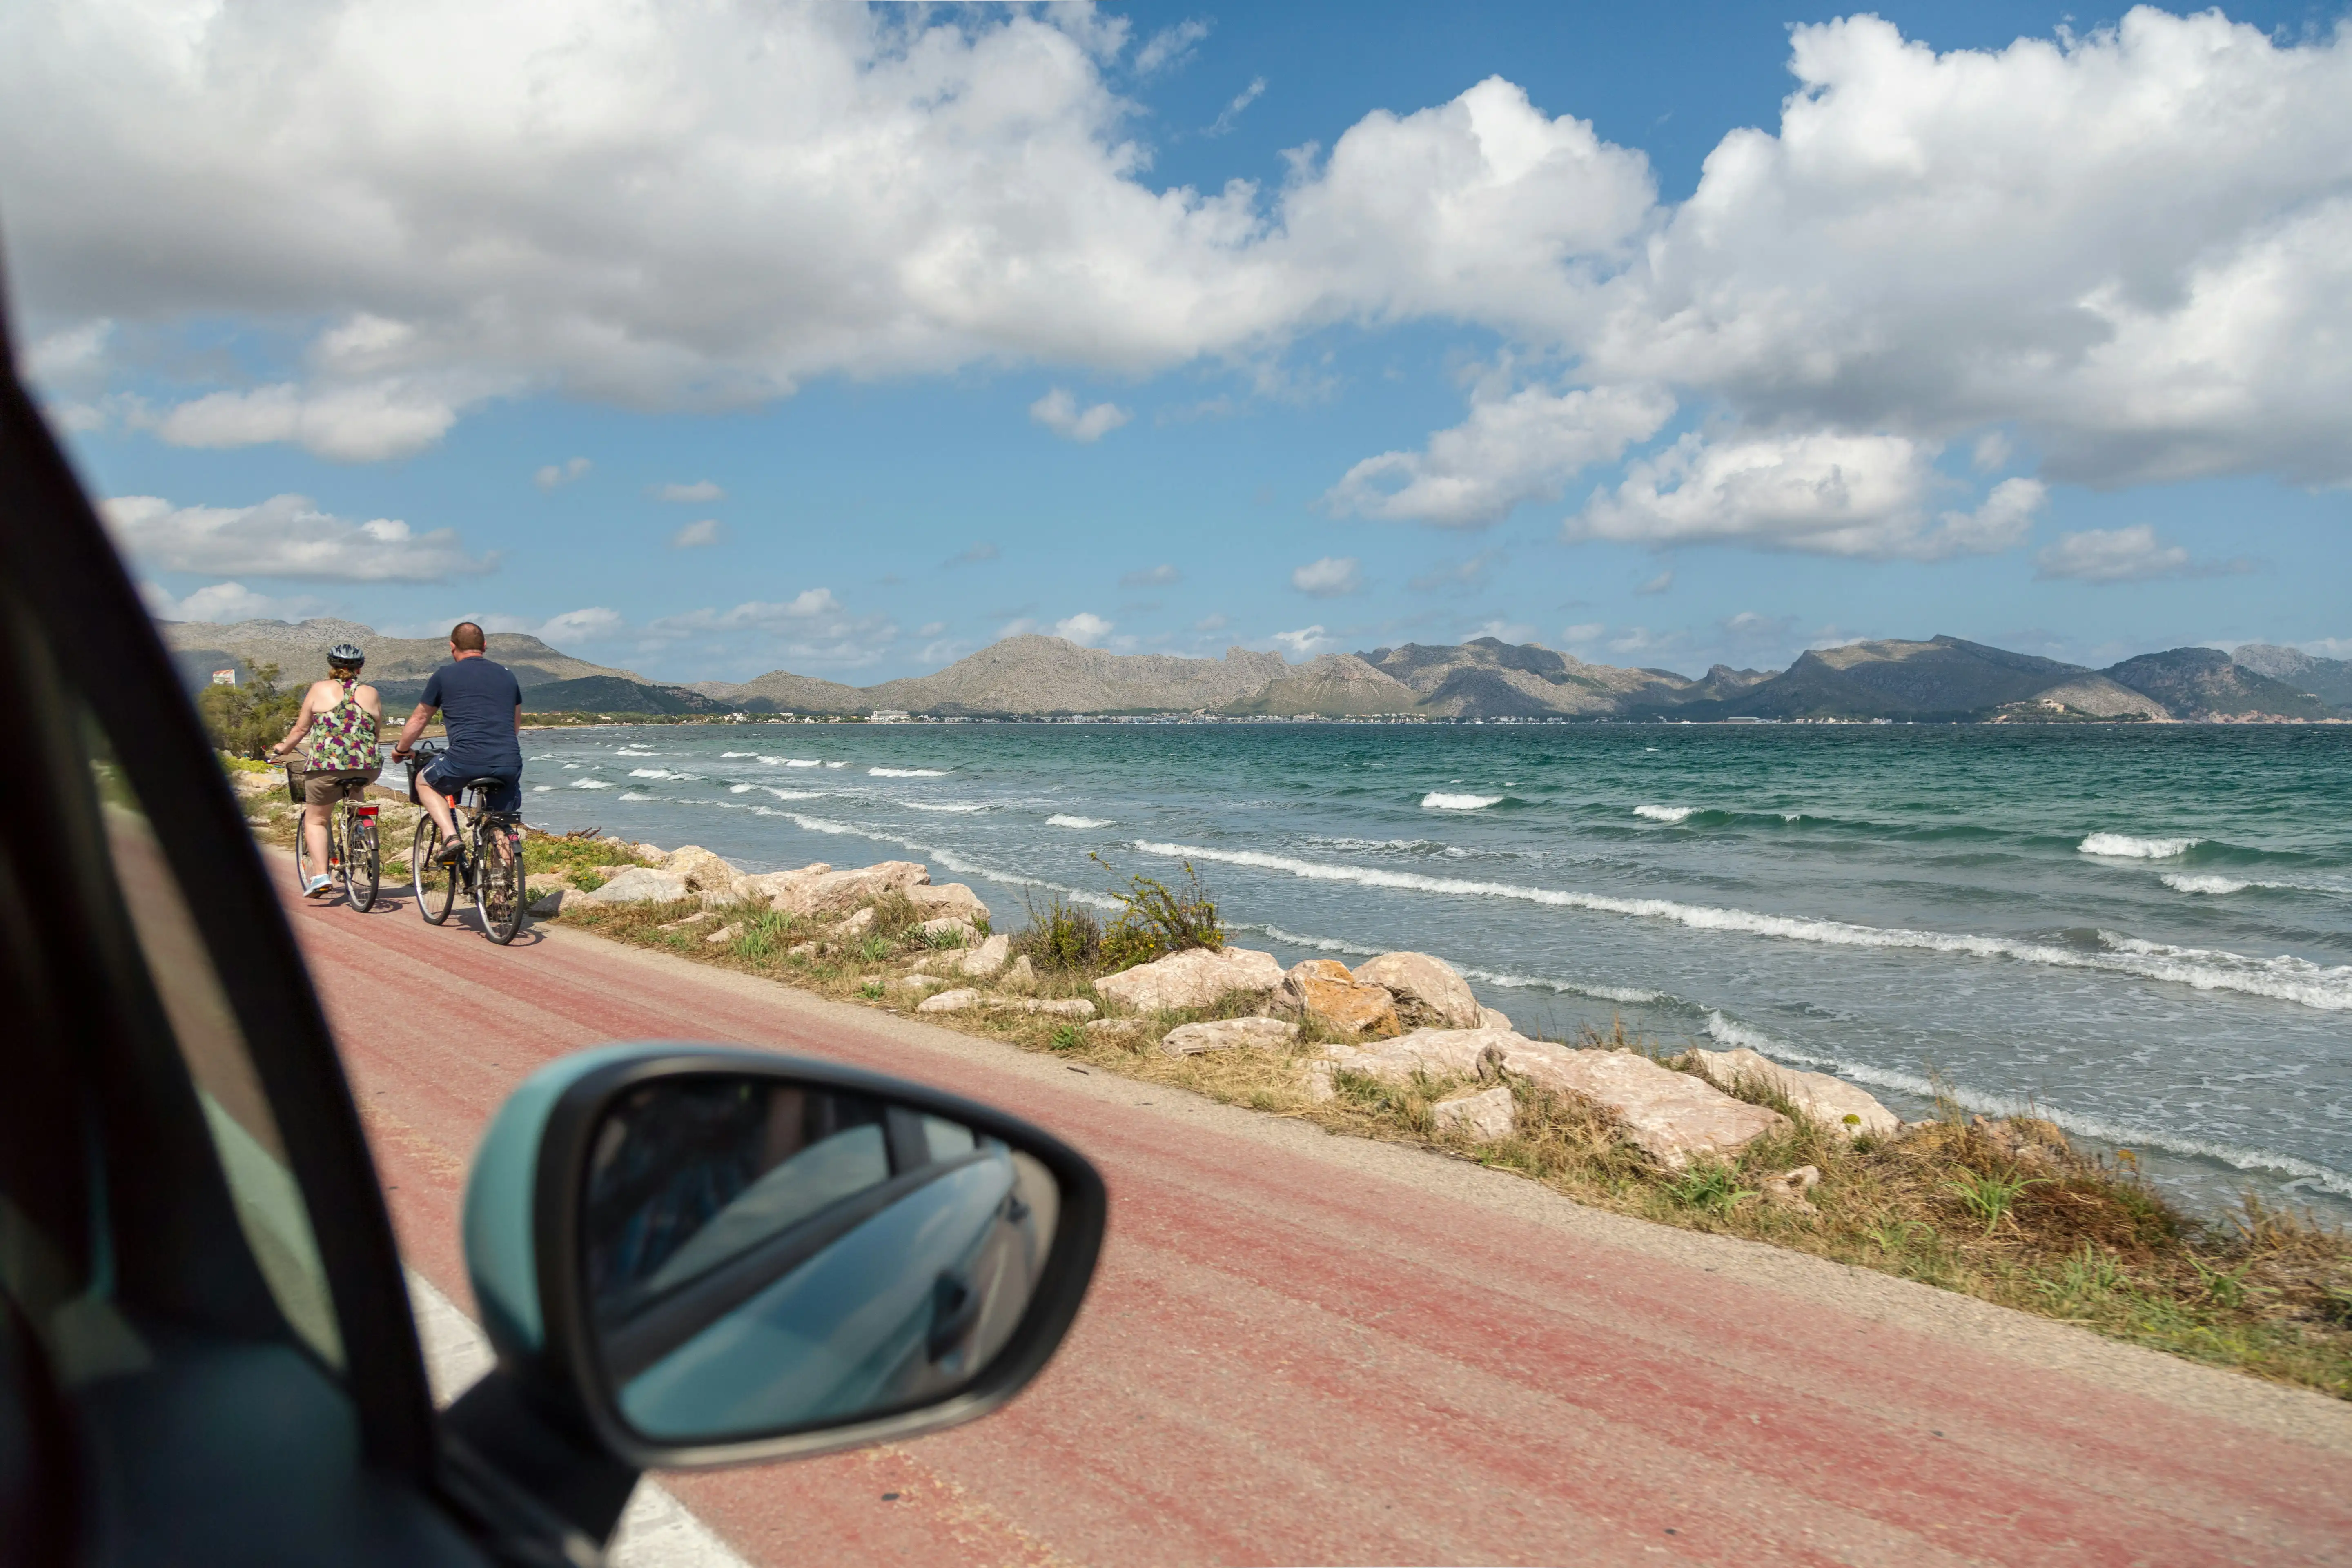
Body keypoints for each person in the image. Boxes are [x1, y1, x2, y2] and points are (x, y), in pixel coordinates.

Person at [390, 621, 524, 864]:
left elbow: (420, 718)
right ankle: (500, 893)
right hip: (508, 761)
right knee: (501, 821)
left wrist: (401, 749)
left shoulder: (444, 676)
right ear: (484, 646)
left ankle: (451, 837)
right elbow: (515, 725)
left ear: (453, 647)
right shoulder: (507, 675)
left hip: (464, 761)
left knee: (425, 782)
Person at [269, 641, 384, 897]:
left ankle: (321, 876)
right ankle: (359, 832)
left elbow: (301, 729)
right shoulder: (371, 692)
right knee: (355, 788)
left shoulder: (319, 689)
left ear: (331, 667)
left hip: (326, 766)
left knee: (318, 820)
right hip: (368, 766)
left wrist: (282, 750)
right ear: (360, 670)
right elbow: (375, 734)